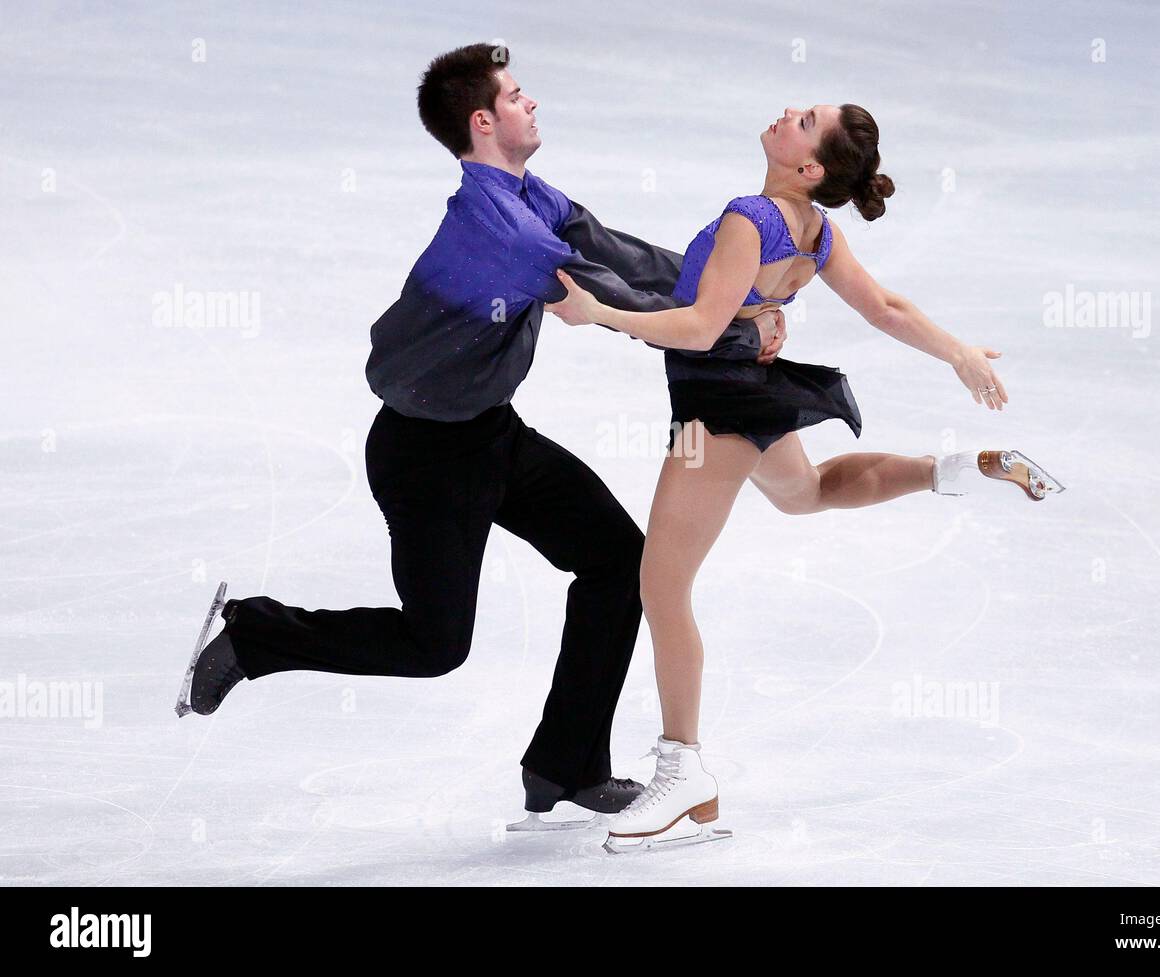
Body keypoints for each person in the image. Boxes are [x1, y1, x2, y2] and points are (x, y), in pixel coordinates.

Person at [173, 43, 789, 830]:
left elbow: (620, 251)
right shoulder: (500, 228)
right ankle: (254, 634)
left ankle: (565, 764)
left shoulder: (531, 197)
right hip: (424, 455)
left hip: (493, 435)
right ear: (483, 120)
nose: (532, 103)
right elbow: (610, 296)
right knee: (434, 645)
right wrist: (735, 323)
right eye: (519, 94)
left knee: (615, 563)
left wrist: (735, 284)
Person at [544, 102, 1066, 850]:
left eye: (805, 118)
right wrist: (958, 352)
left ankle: (682, 767)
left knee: (660, 584)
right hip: (752, 392)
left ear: (808, 166)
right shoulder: (815, 231)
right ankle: (960, 468)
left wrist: (597, 312)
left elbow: (695, 326)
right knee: (807, 492)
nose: (789, 112)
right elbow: (883, 307)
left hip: (713, 413)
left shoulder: (750, 218)